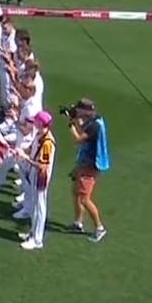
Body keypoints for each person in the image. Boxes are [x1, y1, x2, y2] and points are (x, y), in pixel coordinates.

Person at [67, 99, 109, 242]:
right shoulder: (94, 120)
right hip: (84, 163)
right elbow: (83, 129)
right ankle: (78, 223)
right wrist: (75, 120)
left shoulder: (94, 126)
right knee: (76, 193)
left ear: (86, 111)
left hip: (90, 166)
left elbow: (78, 139)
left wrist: (70, 124)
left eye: (79, 110)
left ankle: (99, 228)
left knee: (84, 198)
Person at [17, 111, 57, 250]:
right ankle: (33, 233)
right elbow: (31, 149)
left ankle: (37, 239)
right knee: (35, 206)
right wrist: (21, 151)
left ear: (41, 123)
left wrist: (26, 158)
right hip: (35, 175)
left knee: (39, 207)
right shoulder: (40, 135)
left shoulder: (47, 142)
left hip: (40, 178)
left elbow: (43, 165)